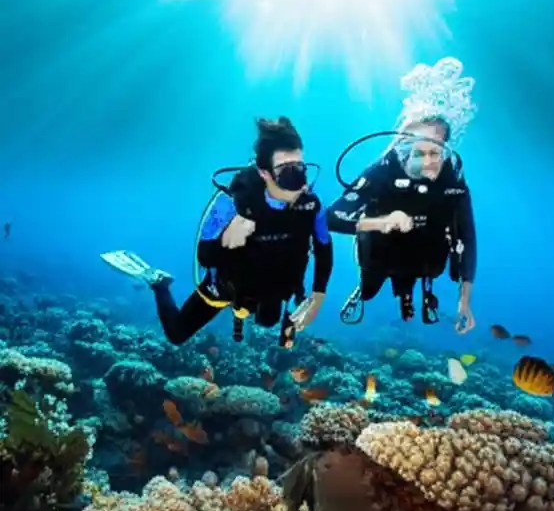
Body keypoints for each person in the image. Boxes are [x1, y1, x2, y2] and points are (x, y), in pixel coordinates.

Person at [101, 117, 333, 346]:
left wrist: (318, 295)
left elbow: (324, 248)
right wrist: (225, 239)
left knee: (268, 320)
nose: (298, 179)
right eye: (285, 170)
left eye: (300, 167)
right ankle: (159, 283)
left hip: (275, 285)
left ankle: (259, 310)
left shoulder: (312, 207)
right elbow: (204, 256)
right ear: (264, 173)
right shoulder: (231, 203)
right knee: (176, 334)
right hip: (226, 285)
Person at [326, 114, 477, 333]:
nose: (427, 162)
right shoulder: (383, 170)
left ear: (445, 151)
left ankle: (406, 295)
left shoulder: (452, 181)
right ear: (406, 148)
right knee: (369, 290)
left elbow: (467, 237)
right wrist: (381, 222)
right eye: (419, 153)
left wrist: (464, 301)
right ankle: (366, 289)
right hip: (380, 252)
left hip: (423, 258)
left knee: (414, 277)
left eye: (435, 153)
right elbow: (331, 217)